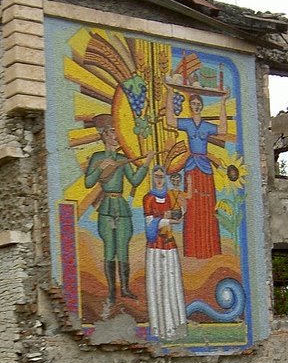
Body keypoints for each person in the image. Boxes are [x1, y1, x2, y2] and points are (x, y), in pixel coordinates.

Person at [84, 114, 153, 302]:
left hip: (121, 207)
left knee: (122, 247)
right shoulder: (98, 157)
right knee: (109, 248)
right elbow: (88, 182)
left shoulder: (123, 159)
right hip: (106, 207)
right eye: (113, 132)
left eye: (117, 132)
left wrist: (146, 163)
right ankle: (112, 293)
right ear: (104, 134)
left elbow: (135, 180)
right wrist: (100, 168)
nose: (116, 136)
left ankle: (125, 289)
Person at [165, 90, 226, 258]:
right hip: (192, 165)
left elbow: (222, 128)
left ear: (202, 106)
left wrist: (222, 103)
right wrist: (169, 94)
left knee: (207, 206)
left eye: (199, 104)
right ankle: (193, 249)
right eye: (193, 104)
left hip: (205, 167)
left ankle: (209, 248)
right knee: (192, 205)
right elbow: (170, 121)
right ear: (190, 107)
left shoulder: (206, 126)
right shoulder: (188, 123)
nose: (196, 106)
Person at [143, 165, 187, 341]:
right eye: (157, 176)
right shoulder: (148, 198)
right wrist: (167, 220)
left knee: (172, 284)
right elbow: (149, 224)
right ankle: (160, 328)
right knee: (158, 285)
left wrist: (181, 213)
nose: (160, 179)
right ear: (153, 177)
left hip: (169, 244)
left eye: (162, 176)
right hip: (155, 246)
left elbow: (178, 216)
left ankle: (176, 325)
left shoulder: (170, 197)